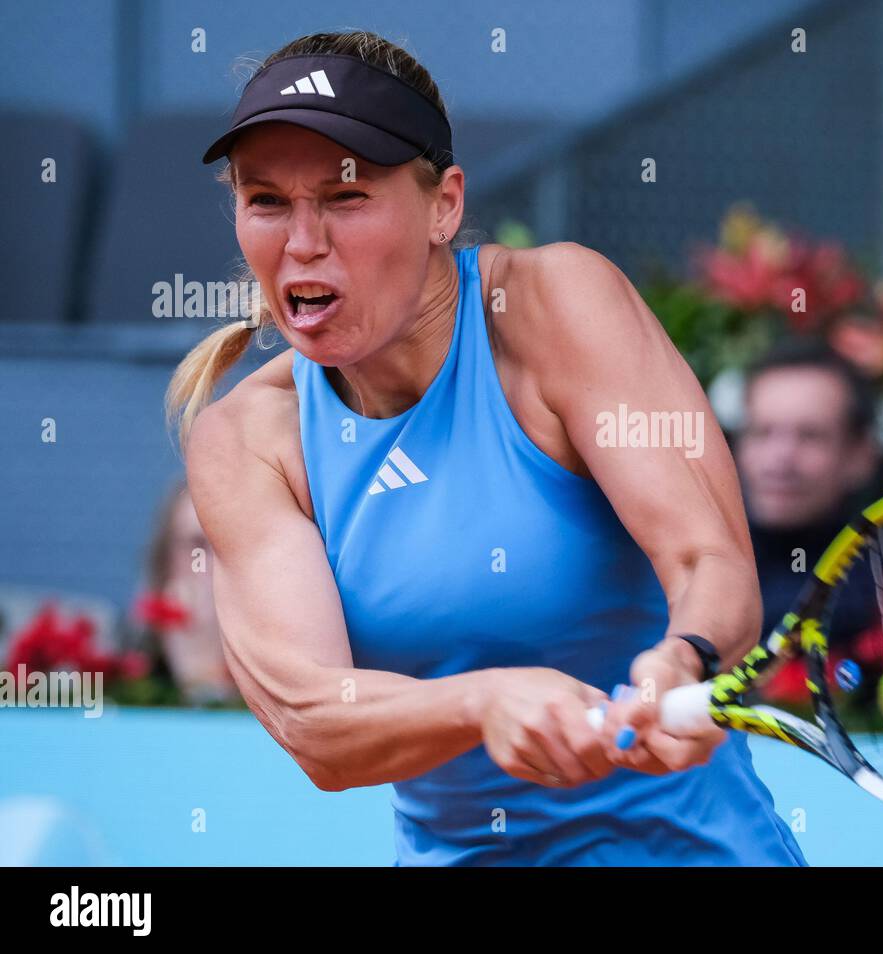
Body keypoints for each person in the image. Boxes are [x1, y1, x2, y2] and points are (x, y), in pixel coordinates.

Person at [170, 31, 804, 866]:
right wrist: (485, 703)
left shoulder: (555, 305)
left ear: (445, 204)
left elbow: (708, 561)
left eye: (346, 197)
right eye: (267, 201)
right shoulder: (246, 439)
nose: (303, 241)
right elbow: (315, 722)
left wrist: (683, 658)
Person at [736, 339, 883, 652]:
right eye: (762, 432)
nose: (780, 458)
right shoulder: (675, 562)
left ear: (860, 456)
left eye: (810, 436)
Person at [133, 481, 240, 706]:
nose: (213, 562)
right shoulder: (133, 658)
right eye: (197, 544)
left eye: (228, 542)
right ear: (166, 558)